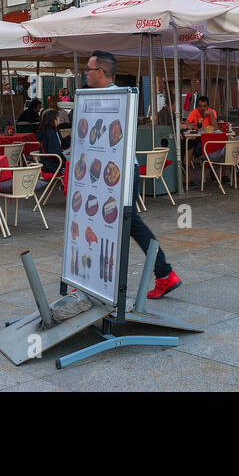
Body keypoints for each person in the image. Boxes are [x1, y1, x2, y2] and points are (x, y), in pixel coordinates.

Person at [86, 50, 181, 299]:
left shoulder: (115, 98)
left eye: (88, 69)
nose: (84, 74)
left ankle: (164, 274)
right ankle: (93, 278)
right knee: (115, 224)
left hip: (120, 173)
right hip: (114, 172)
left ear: (100, 72)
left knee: (128, 224)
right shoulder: (105, 98)